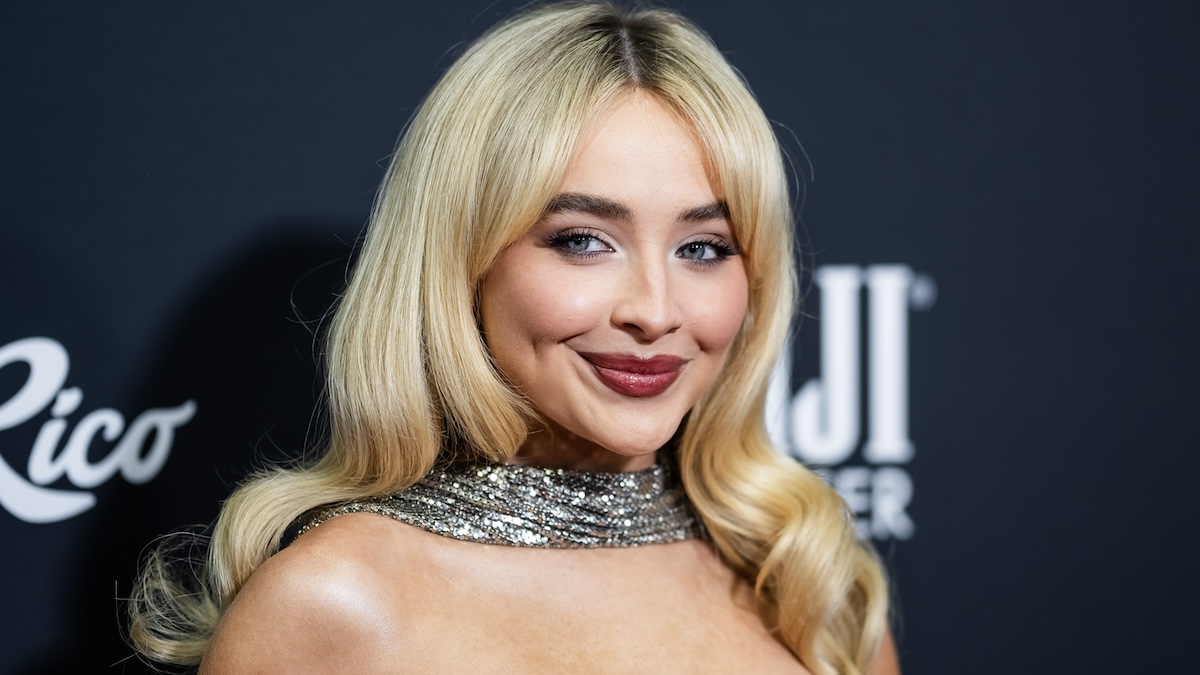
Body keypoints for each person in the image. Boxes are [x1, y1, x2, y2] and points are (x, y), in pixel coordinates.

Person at [130, 3, 898, 673]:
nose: (655, 311)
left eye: (702, 247)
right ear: (464, 262)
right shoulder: (337, 602)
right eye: (583, 240)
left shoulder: (803, 583)